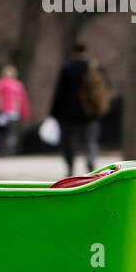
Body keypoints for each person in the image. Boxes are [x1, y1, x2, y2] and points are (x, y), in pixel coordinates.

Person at [50, 41, 107, 177]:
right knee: (90, 141)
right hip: (90, 113)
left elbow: (59, 92)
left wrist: (53, 112)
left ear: (73, 52)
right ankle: (91, 165)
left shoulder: (67, 68)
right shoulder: (95, 68)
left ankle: (70, 168)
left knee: (69, 143)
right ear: (87, 51)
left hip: (68, 113)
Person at [0, 65, 31, 156]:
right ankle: (10, 152)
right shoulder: (18, 85)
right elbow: (23, 101)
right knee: (12, 134)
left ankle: (1, 152)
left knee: (1, 134)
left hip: (1, 113)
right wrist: (25, 113)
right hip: (14, 113)